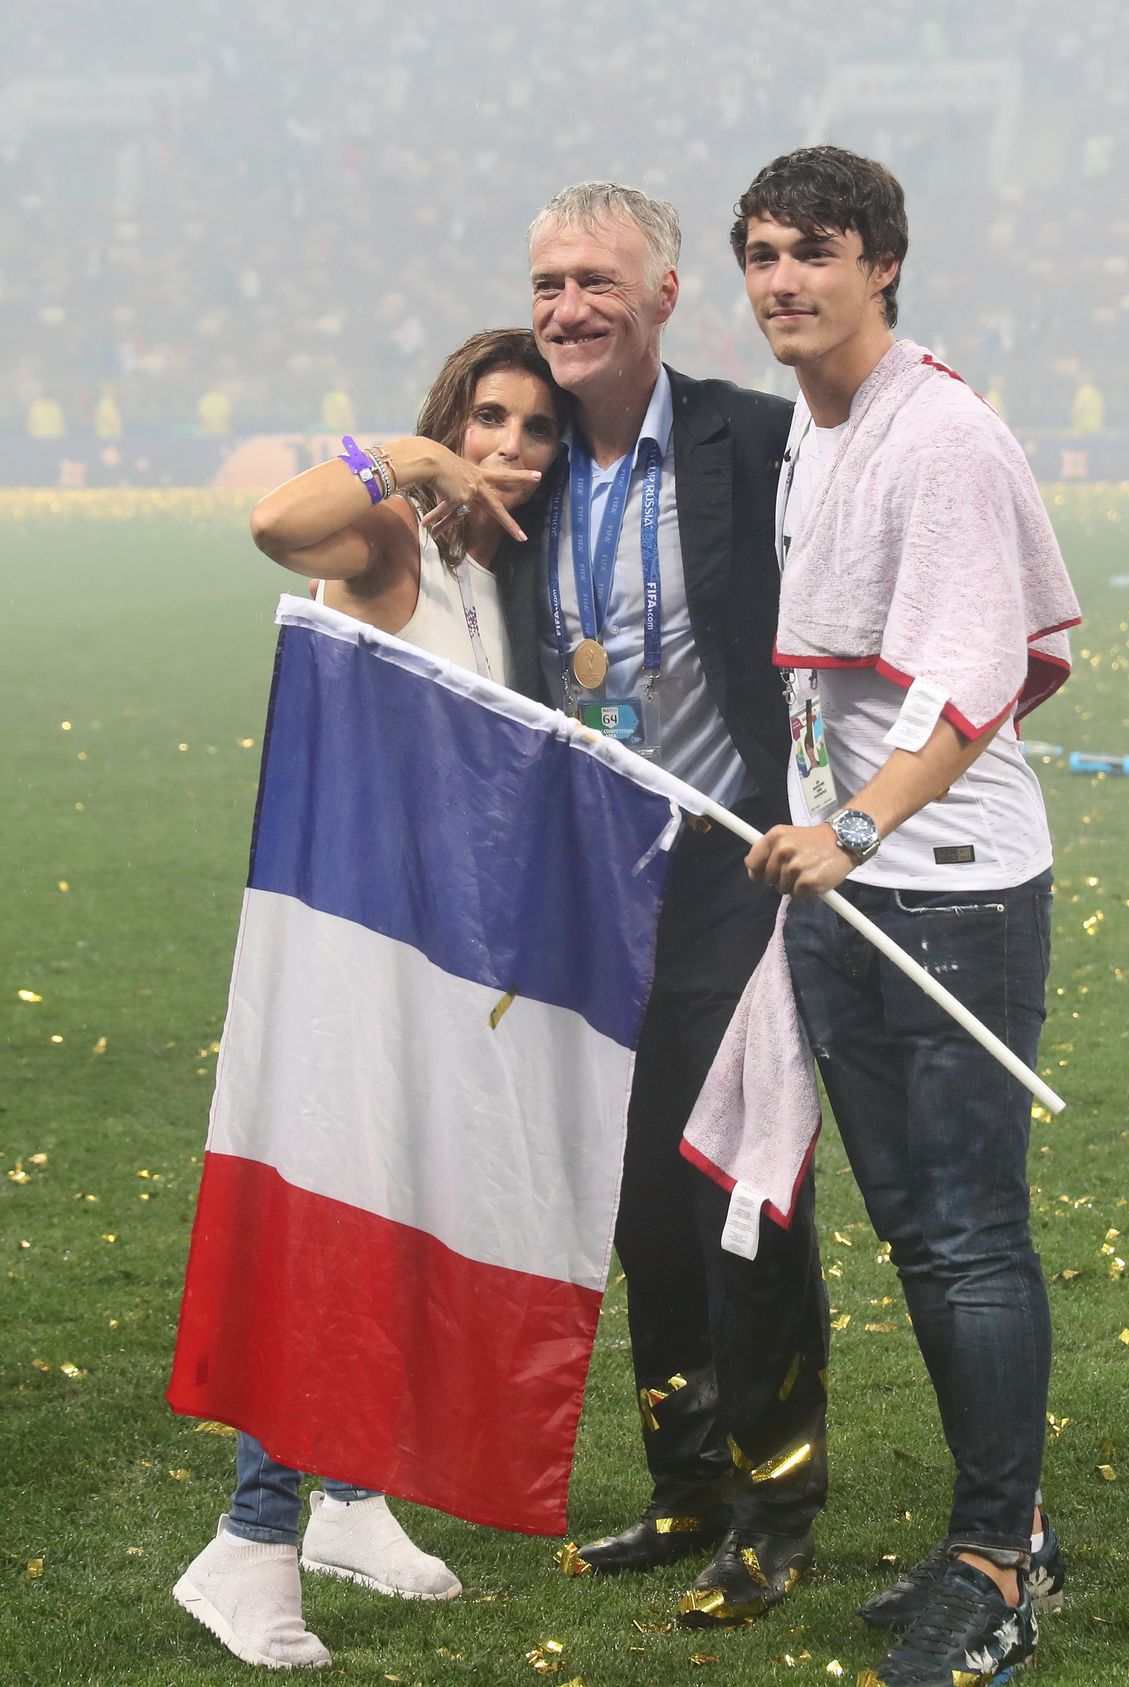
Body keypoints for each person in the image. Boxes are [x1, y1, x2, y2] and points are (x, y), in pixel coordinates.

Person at [734, 145, 1078, 1686]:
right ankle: (1006, 1530)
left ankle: (1000, 1564)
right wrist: (828, 833)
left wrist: (858, 828)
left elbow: (971, 679)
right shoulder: (825, 425)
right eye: (760, 255)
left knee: (967, 1238)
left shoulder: (937, 436)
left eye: (813, 251)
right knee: (923, 1236)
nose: (781, 282)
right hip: (848, 881)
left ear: (883, 260)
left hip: (942, 889)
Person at [172, 328, 566, 1671]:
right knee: (330, 1231)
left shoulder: (489, 578)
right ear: (451, 421)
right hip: (348, 950)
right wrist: (403, 456)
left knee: (398, 1226)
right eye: (488, 419)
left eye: (537, 430)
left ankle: (348, 1503)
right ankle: (250, 1539)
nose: (511, 449)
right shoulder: (398, 533)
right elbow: (277, 520)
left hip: (438, 961)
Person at [525, 182, 829, 1627]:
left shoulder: (749, 438)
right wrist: (394, 454)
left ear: (662, 299)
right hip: (596, 872)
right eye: (546, 286)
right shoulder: (516, 465)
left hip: (733, 863)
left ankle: (777, 1510)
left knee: (738, 1193)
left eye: (596, 280)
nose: (567, 309)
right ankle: (688, 1487)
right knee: (644, 1195)